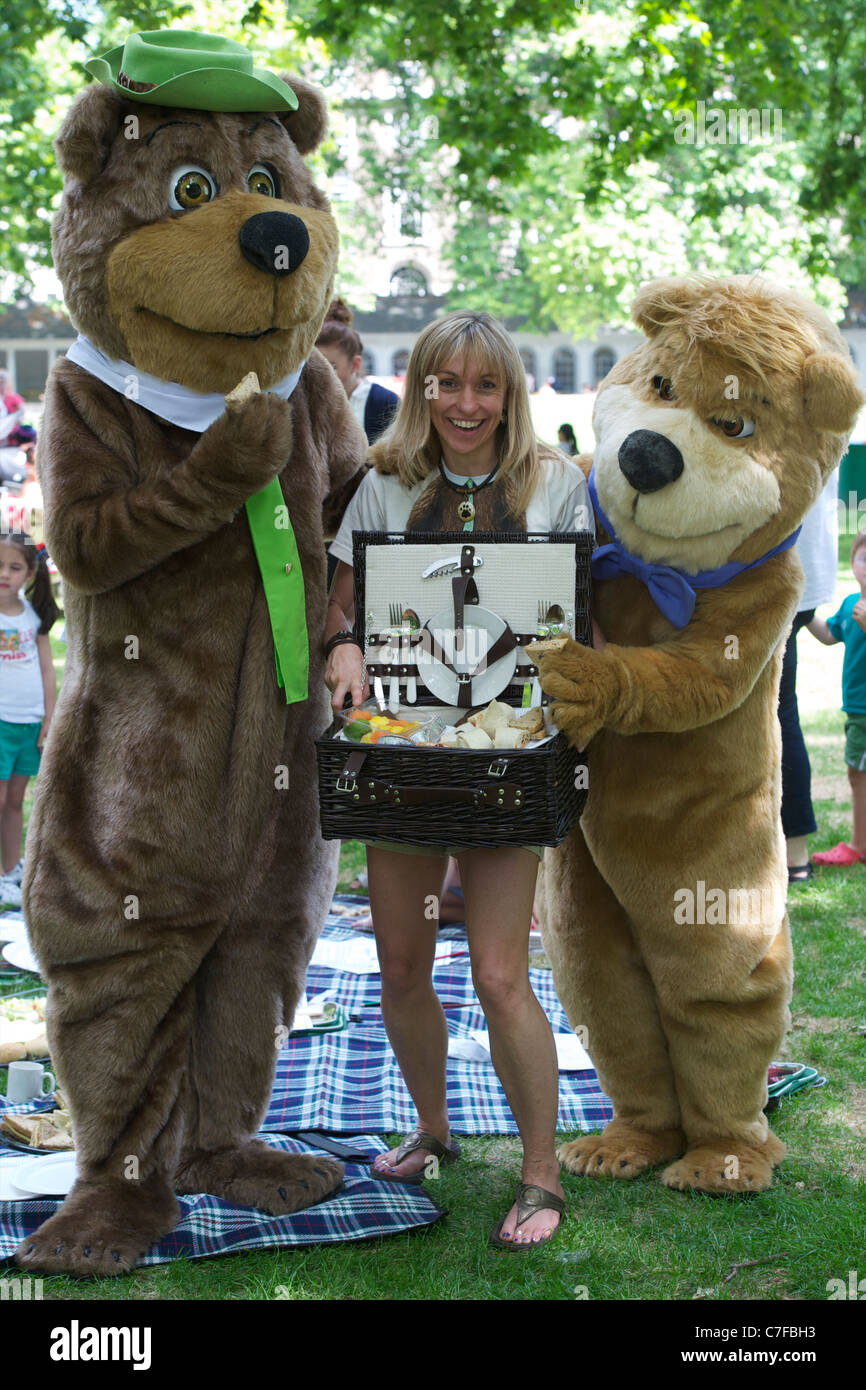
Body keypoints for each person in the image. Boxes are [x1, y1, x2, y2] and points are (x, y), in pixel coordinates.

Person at [324, 310, 594, 1249]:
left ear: (510, 393)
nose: (465, 404)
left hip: (509, 760)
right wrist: (345, 646)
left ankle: (540, 1173)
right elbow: (342, 602)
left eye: (485, 386)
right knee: (400, 961)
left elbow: (577, 618)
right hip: (398, 752)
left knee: (497, 973)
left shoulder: (557, 485)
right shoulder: (384, 484)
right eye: (447, 384)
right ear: (424, 388)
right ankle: (433, 1129)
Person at [780, 472, 839, 882]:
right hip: (799, 579)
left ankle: (793, 855)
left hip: (777, 576)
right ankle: (793, 855)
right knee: (782, 715)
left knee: (777, 718)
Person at [0, 531, 59, 906]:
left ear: (30, 572)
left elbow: (47, 670)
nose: (4, 573)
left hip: (29, 725)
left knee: (14, 802)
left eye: (14, 567)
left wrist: (49, 717)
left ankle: (11, 870)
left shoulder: (33, 616)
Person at [805, 528, 866, 867]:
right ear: (852, 562)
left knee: (858, 774)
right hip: (856, 709)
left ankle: (858, 845)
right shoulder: (848, 604)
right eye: (863, 557)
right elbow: (830, 634)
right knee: (857, 773)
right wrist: (805, 615)